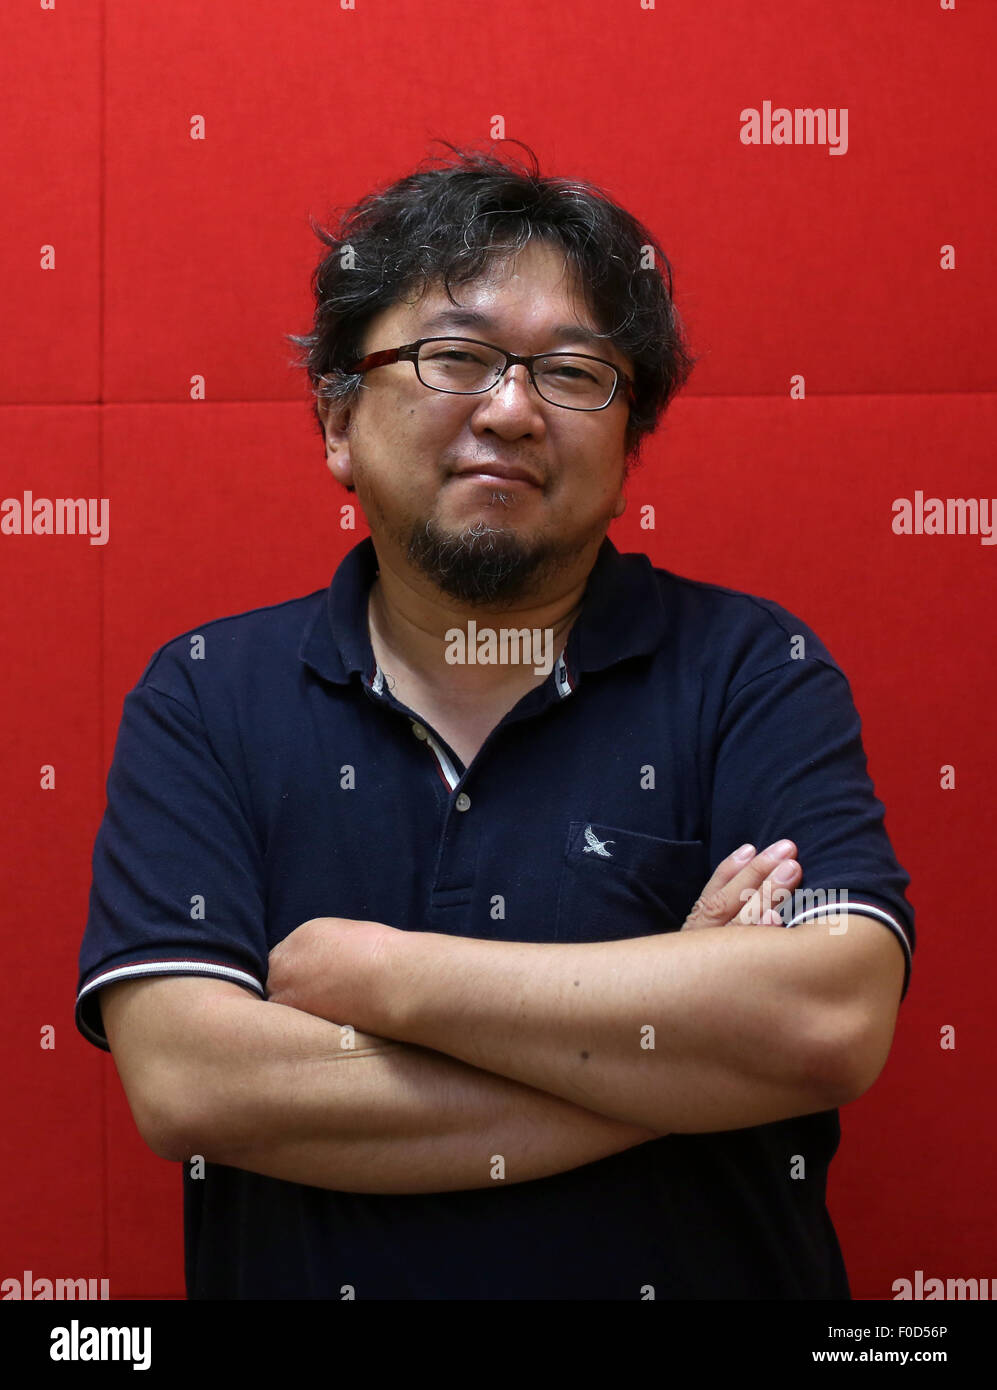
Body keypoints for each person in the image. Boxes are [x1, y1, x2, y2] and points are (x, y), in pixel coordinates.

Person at [75, 142, 914, 1300]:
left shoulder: (750, 670)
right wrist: (682, 1033)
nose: (512, 409)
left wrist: (380, 975)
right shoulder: (207, 693)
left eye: (574, 373)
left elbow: (826, 1021)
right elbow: (197, 1087)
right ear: (336, 420)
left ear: (629, 455)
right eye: (454, 356)